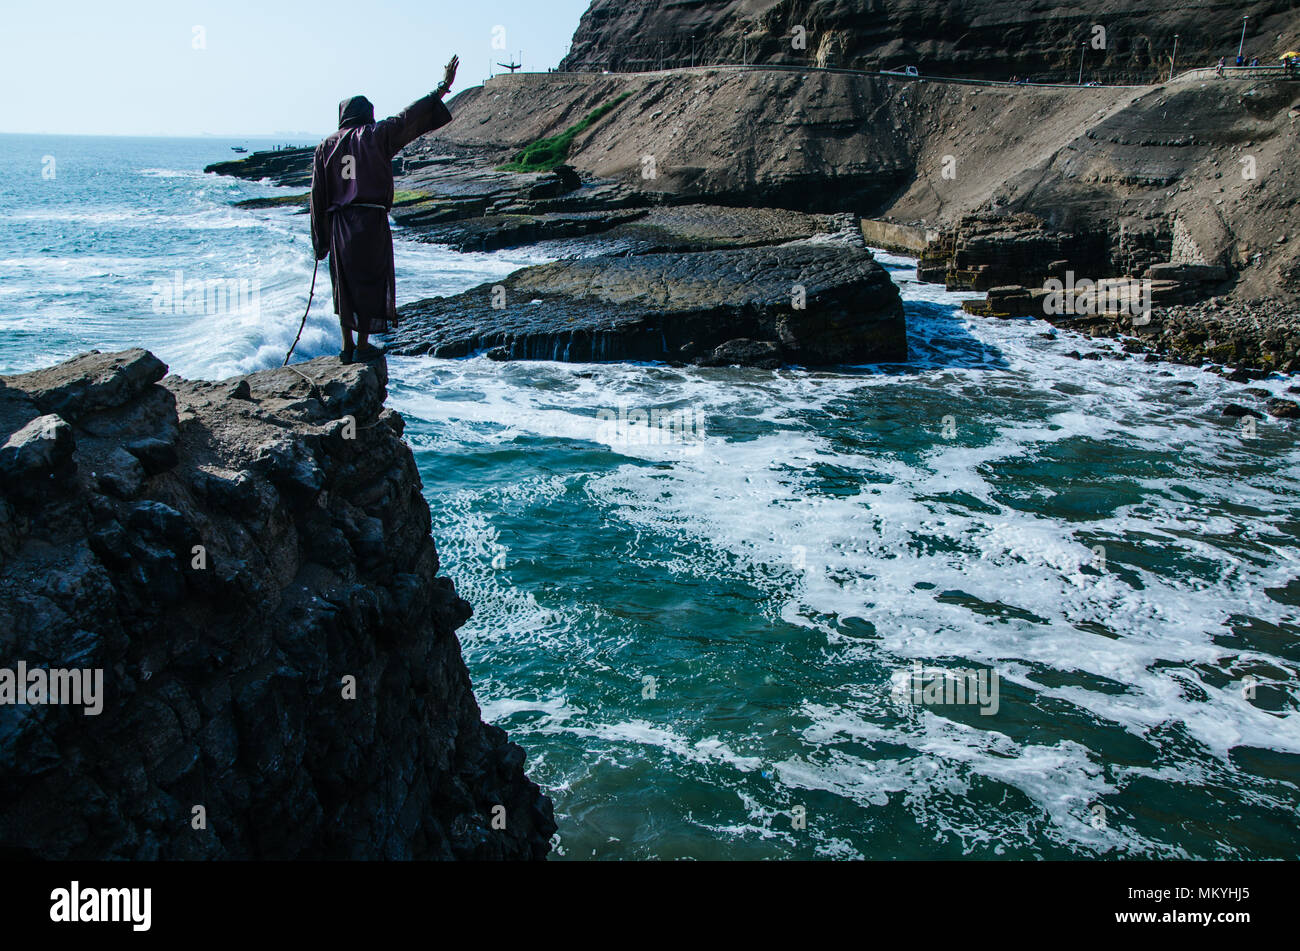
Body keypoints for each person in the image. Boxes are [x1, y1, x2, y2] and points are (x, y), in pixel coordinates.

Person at [310, 55, 460, 363]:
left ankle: (347, 346)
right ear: (368, 114)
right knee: (370, 282)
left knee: (345, 284)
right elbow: (410, 118)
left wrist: (320, 241)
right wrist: (442, 88)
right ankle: (364, 344)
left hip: (340, 223)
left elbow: (318, 197)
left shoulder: (325, 146)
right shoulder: (377, 135)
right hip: (371, 221)